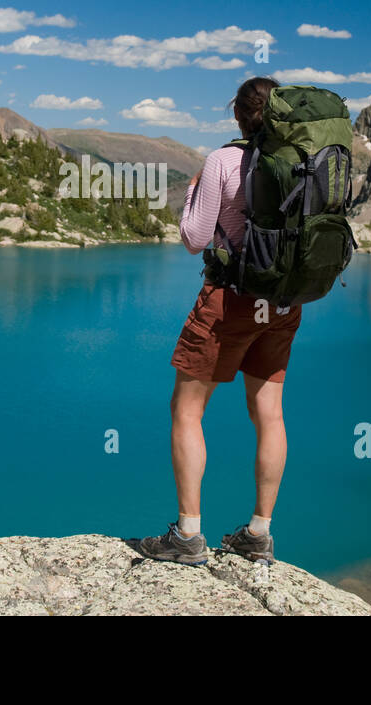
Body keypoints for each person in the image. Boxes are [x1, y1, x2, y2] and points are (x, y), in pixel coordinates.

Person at [131, 77, 297, 567]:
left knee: (186, 410)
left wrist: (192, 197)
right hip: (284, 302)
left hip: (232, 300)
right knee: (269, 413)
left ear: (239, 116)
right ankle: (259, 534)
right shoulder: (301, 161)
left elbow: (195, 238)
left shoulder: (224, 160)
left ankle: (187, 537)